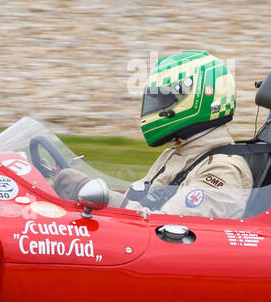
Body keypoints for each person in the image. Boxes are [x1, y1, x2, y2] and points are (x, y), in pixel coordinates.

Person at [51, 51, 253, 218]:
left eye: (162, 100)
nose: (154, 107)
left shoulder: (222, 172)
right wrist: (91, 189)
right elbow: (139, 199)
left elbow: (165, 227)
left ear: (197, 100)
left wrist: (85, 187)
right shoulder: (179, 152)